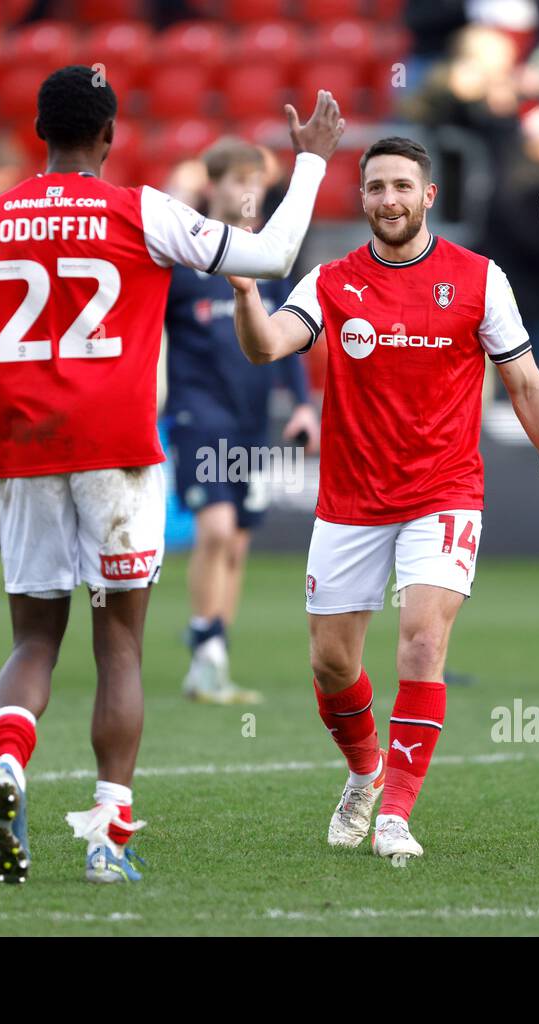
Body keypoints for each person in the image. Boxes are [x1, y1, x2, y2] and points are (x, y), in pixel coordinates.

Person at [0, 66, 343, 885]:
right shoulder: (143, 210)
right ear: (110, 136)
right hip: (115, 451)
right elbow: (276, 251)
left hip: (26, 451)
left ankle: (8, 764)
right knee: (120, 648)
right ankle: (108, 841)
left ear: (40, 133)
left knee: (35, 639)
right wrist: (314, 160)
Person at [229, 136, 539, 862]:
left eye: (402, 186)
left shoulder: (479, 278)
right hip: (351, 497)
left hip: (445, 490)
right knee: (333, 665)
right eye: (374, 188)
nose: (388, 200)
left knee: (424, 641)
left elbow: (525, 386)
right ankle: (365, 771)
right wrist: (246, 293)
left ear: (429, 196)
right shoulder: (330, 281)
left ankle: (396, 811)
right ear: (361, 199)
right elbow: (267, 346)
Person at [165, 137, 320, 705]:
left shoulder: (266, 257)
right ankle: (205, 647)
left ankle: (214, 654)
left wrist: (302, 404)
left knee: (237, 544)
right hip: (197, 412)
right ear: (214, 186)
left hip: (251, 418)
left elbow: (288, 331)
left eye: (255, 182)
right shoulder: (184, 261)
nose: (247, 192)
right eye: (236, 180)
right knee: (216, 529)